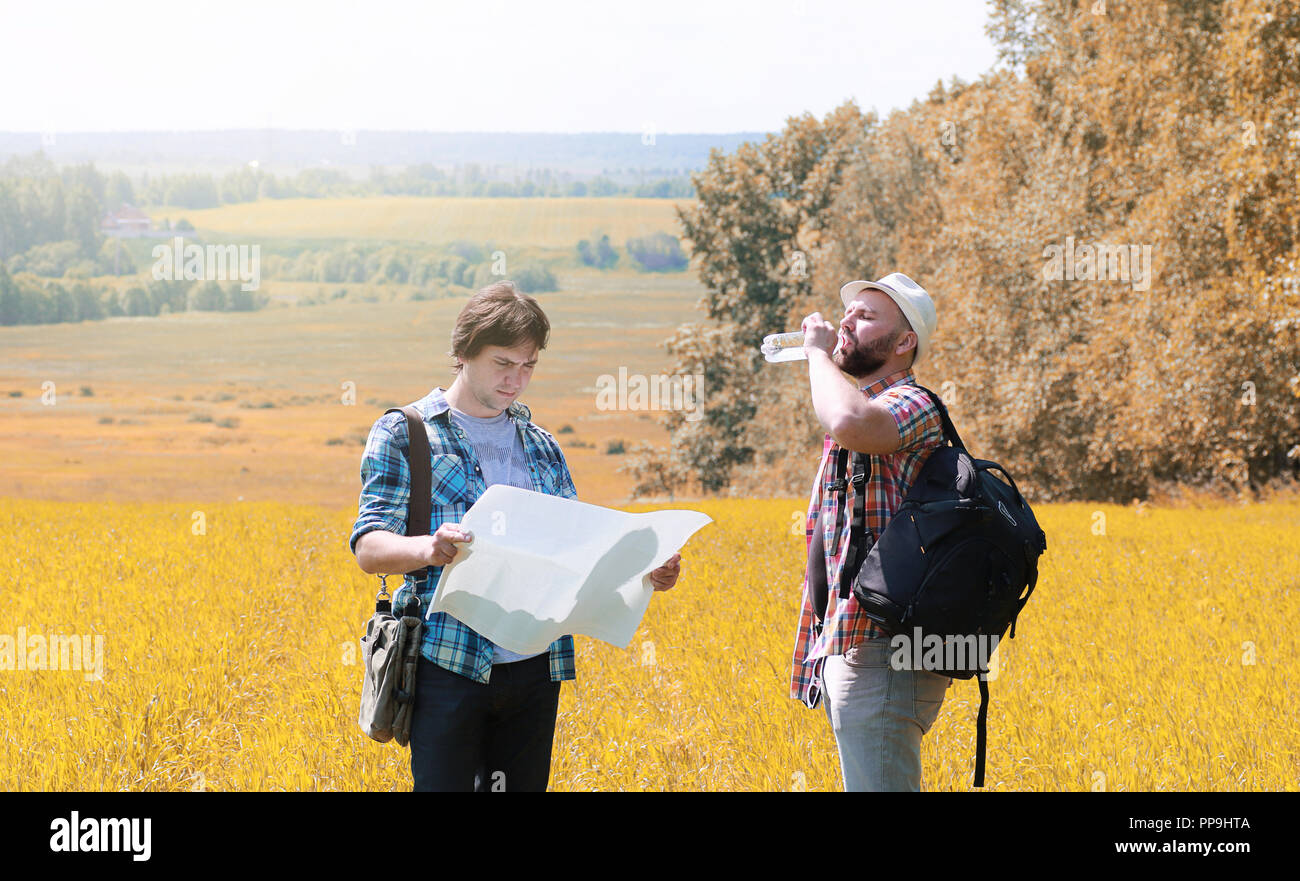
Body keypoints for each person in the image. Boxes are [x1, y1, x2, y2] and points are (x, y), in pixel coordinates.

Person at [349, 280, 682, 791]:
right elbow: (369, 546)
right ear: (463, 352)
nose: (516, 380)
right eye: (503, 363)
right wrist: (428, 549)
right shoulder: (406, 432)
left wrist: (644, 572)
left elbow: (578, 551)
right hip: (448, 662)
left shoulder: (542, 445)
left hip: (534, 666)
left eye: (528, 366)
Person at [789, 271, 950, 792]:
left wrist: (816, 354)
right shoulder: (864, 403)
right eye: (848, 312)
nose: (846, 321)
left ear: (905, 343)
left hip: (887, 649)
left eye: (866, 315)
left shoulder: (912, 403)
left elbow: (850, 422)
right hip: (857, 643)